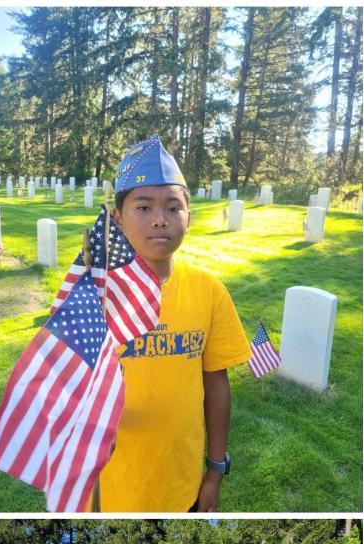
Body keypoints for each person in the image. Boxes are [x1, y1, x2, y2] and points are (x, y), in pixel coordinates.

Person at [95, 134, 253, 513]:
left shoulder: (207, 291)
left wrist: (214, 472)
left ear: (189, 217)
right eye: (144, 207)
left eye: (172, 208)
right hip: (109, 483)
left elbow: (215, 383)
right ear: (118, 217)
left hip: (183, 484)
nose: (160, 220)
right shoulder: (95, 296)